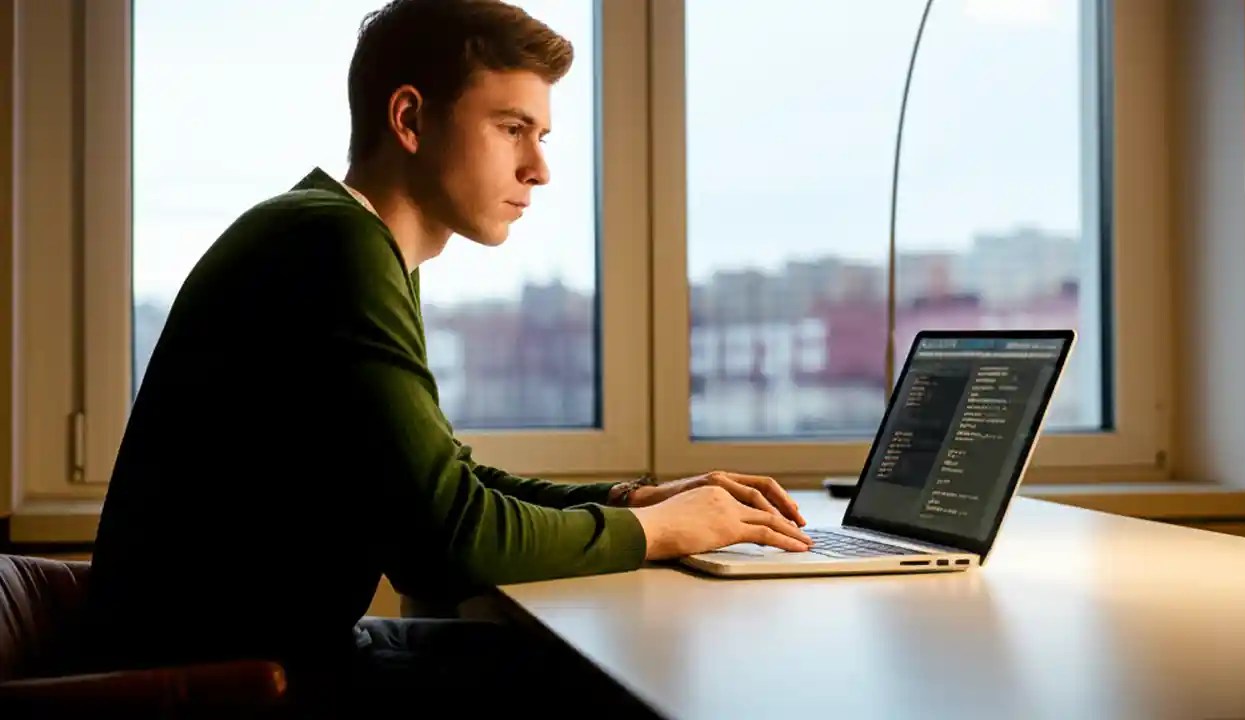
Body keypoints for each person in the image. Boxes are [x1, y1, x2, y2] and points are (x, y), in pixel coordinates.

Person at [85, 0, 812, 714]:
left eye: (543, 136)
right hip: (232, 687)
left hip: (273, 655)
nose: (539, 169)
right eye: (512, 128)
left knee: (579, 668)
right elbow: (445, 541)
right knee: (621, 685)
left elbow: (443, 485)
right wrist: (661, 532)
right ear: (409, 119)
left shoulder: (344, 238)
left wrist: (628, 500)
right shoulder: (335, 249)